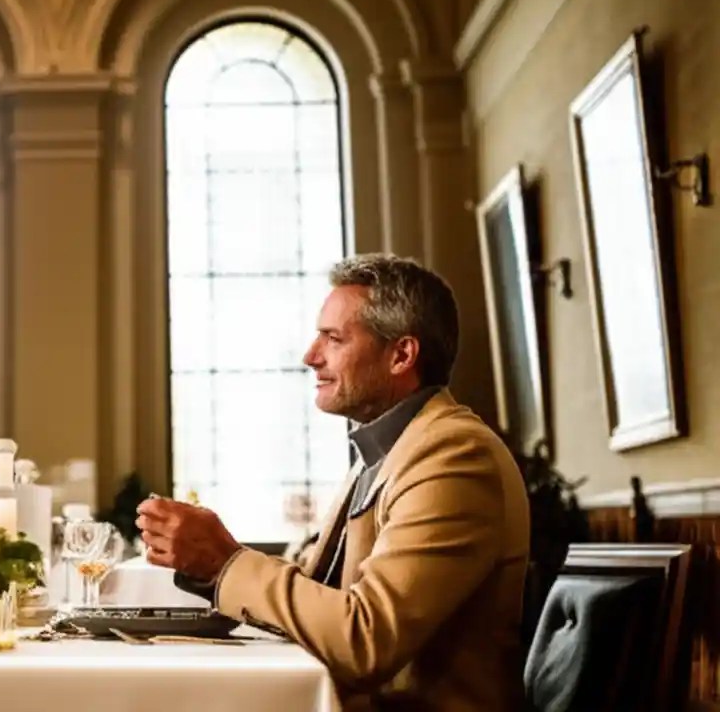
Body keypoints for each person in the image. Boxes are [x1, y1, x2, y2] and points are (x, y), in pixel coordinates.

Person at [137, 254, 529, 711]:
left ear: (401, 355)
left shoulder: (454, 454)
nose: (310, 355)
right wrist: (213, 567)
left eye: (333, 338)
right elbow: (318, 597)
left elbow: (365, 640)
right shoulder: (386, 449)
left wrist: (225, 562)